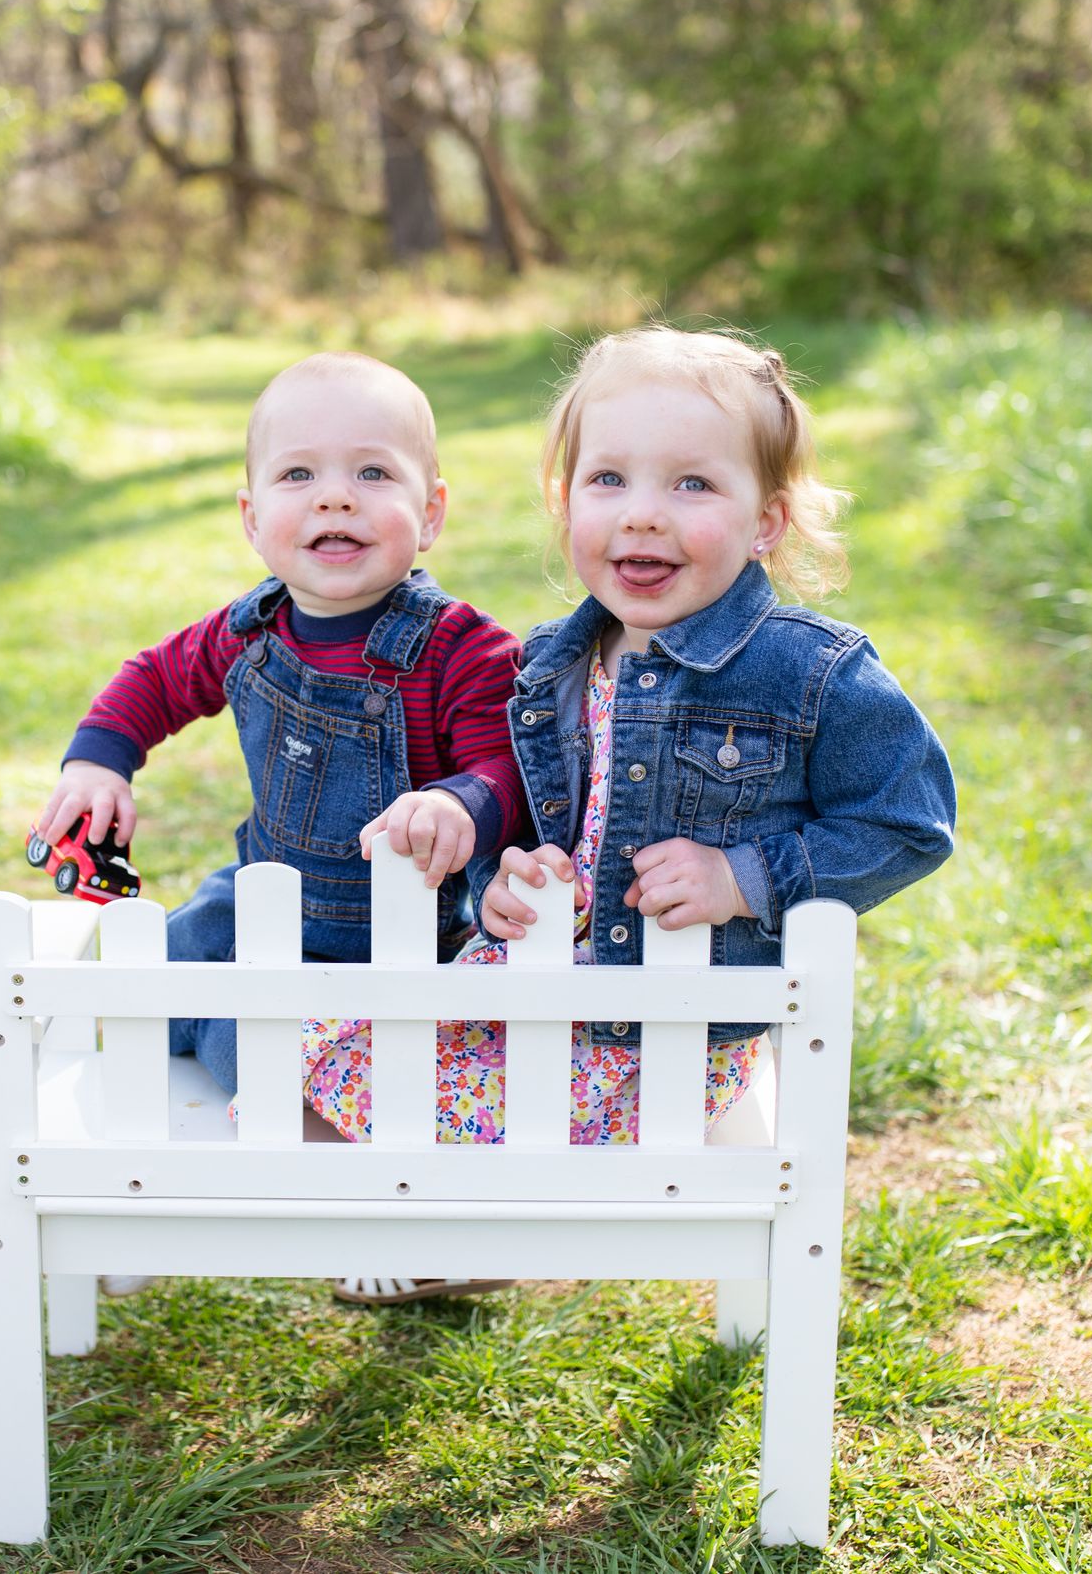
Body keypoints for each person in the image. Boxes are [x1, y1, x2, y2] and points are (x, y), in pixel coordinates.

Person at [313, 324, 957, 1306]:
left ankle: (475, 1223)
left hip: (662, 1032)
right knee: (318, 1064)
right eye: (607, 479)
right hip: (532, 985)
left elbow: (909, 819)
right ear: (564, 499)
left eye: (692, 485)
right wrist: (502, 886)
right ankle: (448, 1219)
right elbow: (532, 823)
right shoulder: (550, 665)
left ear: (768, 521)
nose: (643, 517)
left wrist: (743, 876)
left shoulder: (810, 669)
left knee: (451, 1108)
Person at [36, 350, 526, 1097]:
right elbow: (156, 678)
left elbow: (507, 765)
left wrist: (460, 801)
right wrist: (99, 760)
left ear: (430, 513)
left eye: (373, 473)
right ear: (253, 519)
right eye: (299, 475)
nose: (335, 499)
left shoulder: (463, 649)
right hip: (257, 894)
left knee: (262, 1059)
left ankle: (237, 1035)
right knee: (145, 983)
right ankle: (202, 1011)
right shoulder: (249, 631)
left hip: (387, 941)